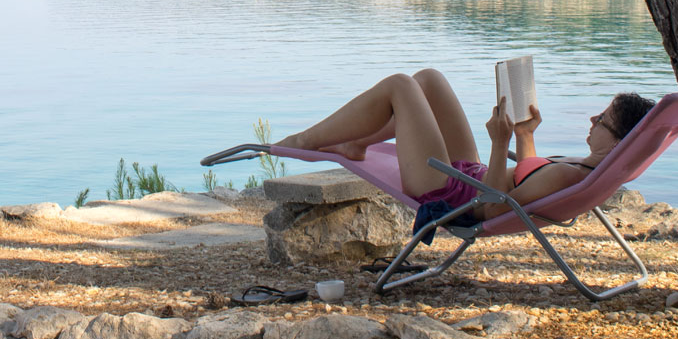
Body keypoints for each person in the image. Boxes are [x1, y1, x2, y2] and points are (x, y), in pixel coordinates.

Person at [273, 69, 655, 223]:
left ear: (619, 140)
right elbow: (525, 178)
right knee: (429, 79)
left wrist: (499, 140)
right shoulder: (585, 169)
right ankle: (358, 144)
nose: (592, 121)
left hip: (452, 193)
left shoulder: (572, 174)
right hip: (471, 178)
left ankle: (305, 140)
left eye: (601, 120)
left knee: (401, 86)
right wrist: (524, 135)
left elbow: (492, 207)